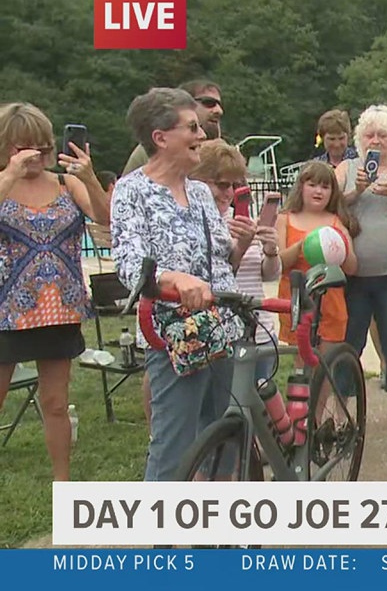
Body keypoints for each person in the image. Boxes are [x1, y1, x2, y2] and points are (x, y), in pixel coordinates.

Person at [111, 87, 241, 482]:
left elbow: (221, 258)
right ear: (160, 137)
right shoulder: (131, 191)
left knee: (223, 434)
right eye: (192, 128)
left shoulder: (199, 191)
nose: (202, 135)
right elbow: (130, 264)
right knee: (174, 447)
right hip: (172, 336)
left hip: (221, 328)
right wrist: (173, 278)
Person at [0, 102, 110, 481]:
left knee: (56, 402)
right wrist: (10, 174)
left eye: (41, 146)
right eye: (23, 147)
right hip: (8, 309)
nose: (34, 155)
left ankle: (62, 481)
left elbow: (105, 218)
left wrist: (90, 177)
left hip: (60, 307)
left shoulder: (66, 183)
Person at [335, 104, 387, 433]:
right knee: (349, 343)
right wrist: (356, 190)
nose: (376, 140)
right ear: (360, 138)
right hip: (354, 274)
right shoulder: (347, 168)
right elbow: (330, 206)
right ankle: (342, 411)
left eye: (383, 134)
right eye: (370, 134)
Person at [190, 139, 280, 384]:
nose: (229, 193)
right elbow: (217, 276)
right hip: (219, 333)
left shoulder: (240, 220)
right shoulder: (193, 226)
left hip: (259, 329)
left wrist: (271, 250)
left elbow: (269, 275)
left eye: (235, 185)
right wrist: (240, 245)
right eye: (221, 184)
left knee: (261, 401)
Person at [275, 161, 359, 352]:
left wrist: (341, 249)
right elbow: (279, 264)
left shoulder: (337, 222)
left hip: (330, 305)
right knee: (300, 361)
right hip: (295, 303)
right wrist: (301, 246)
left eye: (325, 187)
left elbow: (352, 268)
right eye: (312, 185)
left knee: (326, 362)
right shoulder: (284, 219)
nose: (318, 191)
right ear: (301, 187)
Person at [123, 79, 224, 175]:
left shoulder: (221, 152)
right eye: (209, 103)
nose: (219, 110)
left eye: (219, 104)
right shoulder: (152, 150)